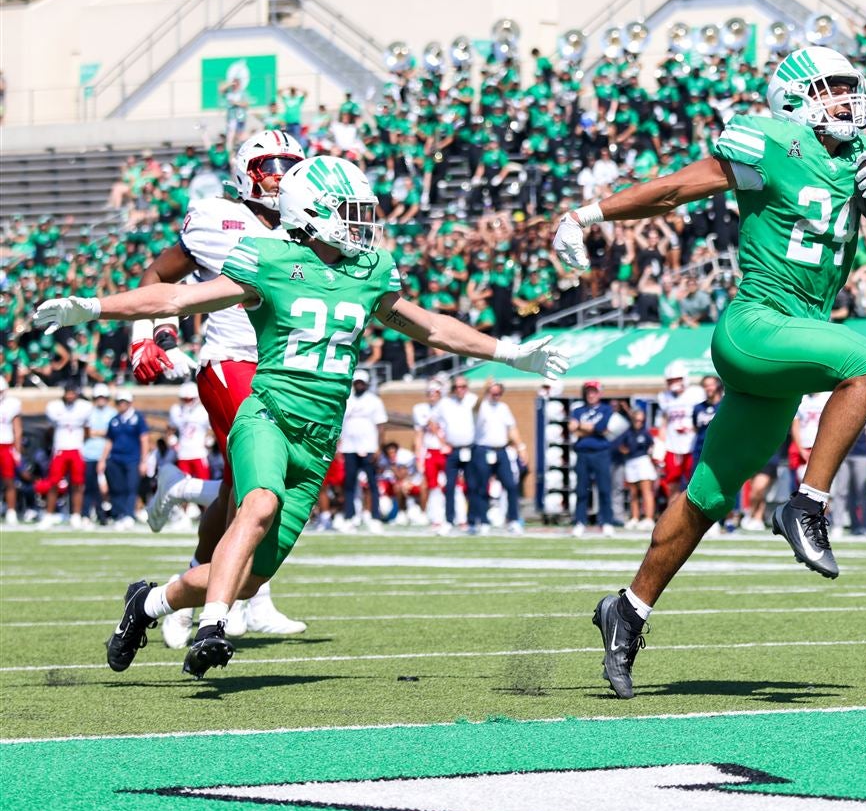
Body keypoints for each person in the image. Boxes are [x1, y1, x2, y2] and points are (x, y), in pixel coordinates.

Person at [34, 155, 568, 679]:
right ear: (312, 212)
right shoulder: (268, 261)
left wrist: (509, 353)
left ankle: (147, 603)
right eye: (351, 212)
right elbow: (177, 297)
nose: (363, 224)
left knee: (247, 578)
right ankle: (212, 627)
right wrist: (94, 306)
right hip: (266, 414)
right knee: (258, 504)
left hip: (317, 440)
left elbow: (430, 327)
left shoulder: (371, 270)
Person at [553, 43, 866, 698]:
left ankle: (627, 608)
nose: (850, 99)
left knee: (707, 494)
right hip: (755, 324)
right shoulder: (770, 142)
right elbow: (679, 186)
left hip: (791, 347)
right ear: (795, 97)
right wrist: (589, 214)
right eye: (833, 87)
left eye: (852, 86)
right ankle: (807, 506)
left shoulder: (862, 160)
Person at [137, 130, 308, 644]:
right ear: (246, 171)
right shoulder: (217, 217)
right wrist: (152, 333)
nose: (280, 174)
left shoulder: (309, 221)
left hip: (284, 368)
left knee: (244, 486)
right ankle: (246, 600)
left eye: (289, 164)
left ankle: (184, 582)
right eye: (270, 164)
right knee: (261, 486)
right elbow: (159, 274)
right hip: (231, 361)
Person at [469, 381, 525, 533]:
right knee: (482, 487)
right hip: (483, 450)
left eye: (498, 393)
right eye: (493, 393)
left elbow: (512, 428)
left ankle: (513, 519)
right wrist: (483, 390)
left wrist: (521, 447)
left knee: (511, 485)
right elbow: (475, 408)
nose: (496, 396)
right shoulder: (482, 406)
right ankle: (483, 521)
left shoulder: (503, 408)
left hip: (501, 451)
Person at [339, 369, 389, 533]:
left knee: (373, 484)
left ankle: (375, 517)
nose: (359, 385)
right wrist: (339, 445)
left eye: (362, 382)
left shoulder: (374, 401)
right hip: (349, 447)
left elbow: (381, 426)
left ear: (366, 384)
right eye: (357, 382)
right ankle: (350, 516)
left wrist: (378, 448)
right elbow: (340, 424)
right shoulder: (347, 400)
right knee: (349, 484)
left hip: (369, 447)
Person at [37, 381, 91, 529]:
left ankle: (76, 515)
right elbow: (50, 430)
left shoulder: (84, 407)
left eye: (73, 392)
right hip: (60, 448)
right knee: (53, 483)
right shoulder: (54, 407)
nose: (70, 395)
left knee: (78, 484)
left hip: (76, 448)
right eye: (68, 392)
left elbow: (87, 431)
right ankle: (48, 515)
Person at [431, 375, 478, 533]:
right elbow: (433, 422)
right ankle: (449, 520)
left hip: (470, 449)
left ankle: (471, 521)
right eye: (458, 387)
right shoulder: (445, 403)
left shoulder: (472, 399)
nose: (461, 389)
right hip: (452, 449)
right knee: (450, 486)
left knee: (471, 485)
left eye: (463, 386)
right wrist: (442, 442)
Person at [569, 381, 616, 537]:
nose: (591, 395)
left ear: (599, 393)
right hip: (582, 453)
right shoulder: (577, 410)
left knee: (604, 489)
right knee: (581, 490)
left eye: (594, 391)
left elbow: (602, 428)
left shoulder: (606, 409)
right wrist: (590, 429)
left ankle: (607, 522)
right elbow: (572, 429)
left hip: (601, 453)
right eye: (588, 392)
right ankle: (580, 522)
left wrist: (583, 427)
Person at [655, 362, 705, 503]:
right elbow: (663, 423)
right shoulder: (664, 397)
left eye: (677, 379)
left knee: (695, 482)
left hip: (692, 444)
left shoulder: (696, 393)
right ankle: (673, 518)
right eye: (671, 380)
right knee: (672, 484)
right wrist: (659, 447)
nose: (674, 383)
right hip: (673, 445)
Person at [101, 390, 149, 530]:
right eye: (119, 402)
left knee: (131, 488)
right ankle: (119, 514)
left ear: (129, 403)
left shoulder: (137, 418)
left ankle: (129, 514)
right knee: (117, 488)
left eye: (124, 402)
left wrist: (144, 461)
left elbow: (144, 439)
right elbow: (109, 441)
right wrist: (103, 459)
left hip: (132, 459)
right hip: (115, 458)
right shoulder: (114, 420)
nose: (121, 405)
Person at [410, 377, 447, 526]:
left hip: (445, 450)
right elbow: (418, 435)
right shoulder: (420, 409)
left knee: (450, 483)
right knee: (430, 484)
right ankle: (431, 514)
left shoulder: (447, 407)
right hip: (430, 450)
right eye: (429, 392)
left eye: (436, 392)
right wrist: (419, 456)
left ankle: (452, 514)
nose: (432, 394)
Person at [616, 408, 656, 530]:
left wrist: (651, 456)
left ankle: (649, 518)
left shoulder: (645, 433)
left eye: (640, 420)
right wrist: (624, 450)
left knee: (646, 491)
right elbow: (619, 446)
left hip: (642, 461)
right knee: (633, 493)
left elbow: (652, 445)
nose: (638, 422)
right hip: (630, 462)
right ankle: (635, 517)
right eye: (636, 419)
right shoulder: (628, 433)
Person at [82, 384, 116, 526]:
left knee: (109, 488)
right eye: (98, 397)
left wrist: (96, 432)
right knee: (90, 487)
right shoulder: (88, 411)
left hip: (107, 455)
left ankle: (108, 514)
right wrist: (101, 432)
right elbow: (86, 432)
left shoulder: (112, 413)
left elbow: (111, 434)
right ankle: (87, 514)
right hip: (89, 454)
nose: (100, 400)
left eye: (103, 397)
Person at [168, 381, 212, 483]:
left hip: (199, 453)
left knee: (203, 484)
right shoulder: (176, 410)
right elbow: (170, 427)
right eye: (184, 399)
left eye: (189, 399)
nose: (186, 402)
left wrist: (209, 440)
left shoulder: (203, 411)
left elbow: (213, 429)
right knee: (182, 487)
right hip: (182, 453)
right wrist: (171, 439)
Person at [0, 378, 22, 526]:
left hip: (6, 444)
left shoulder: (11, 404)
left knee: (9, 480)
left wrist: (18, 450)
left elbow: (17, 429)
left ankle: (11, 511)